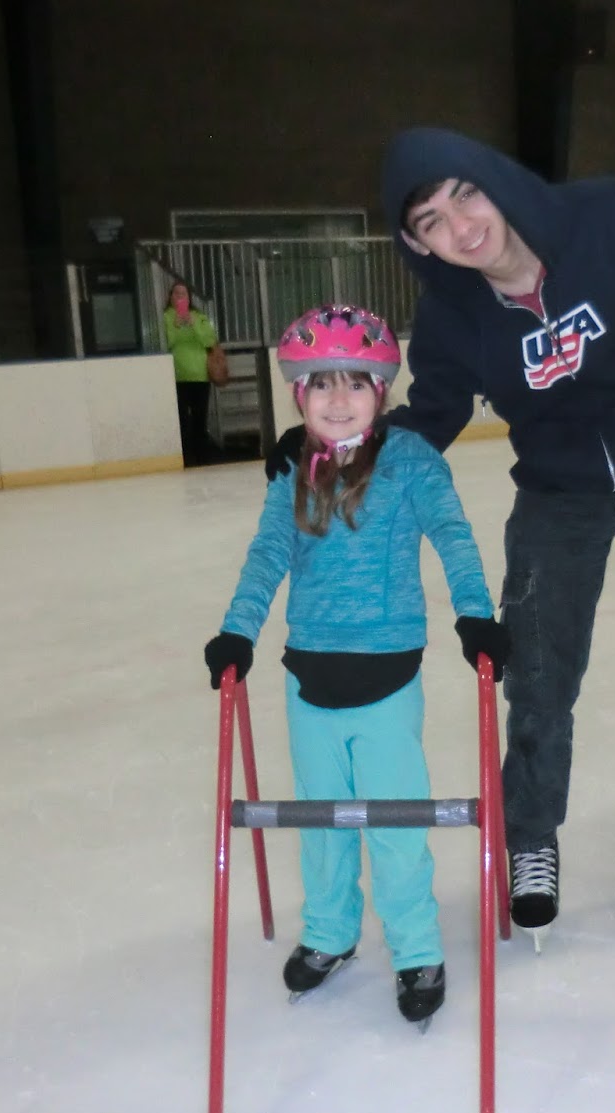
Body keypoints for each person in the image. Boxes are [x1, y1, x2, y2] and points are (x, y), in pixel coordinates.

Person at [269, 128, 615, 946]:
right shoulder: (454, 313)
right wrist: (344, 446)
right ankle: (531, 842)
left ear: (494, 181)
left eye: (464, 195)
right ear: (418, 245)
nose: (459, 227)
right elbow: (436, 413)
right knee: (538, 680)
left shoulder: (614, 219)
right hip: (557, 498)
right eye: (429, 222)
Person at [206, 304, 509, 1028]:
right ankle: (330, 934)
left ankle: (415, 950)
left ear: (382, 391)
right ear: (296, 396)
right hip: (308, 674)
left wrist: (475, 615)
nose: (336, 401)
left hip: (387, 676)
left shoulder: (411, 462)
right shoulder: (293, 469)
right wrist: (237, 631)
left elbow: (455, 537)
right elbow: (268, 554)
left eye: (354, 384)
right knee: (321, 820)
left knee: (396, 824)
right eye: (318, 385)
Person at [162, 281, 219, 466]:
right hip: (177, 376)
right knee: (182, 420)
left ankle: (202, 456)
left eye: (183, 294)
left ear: (189, 298)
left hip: (200, 375)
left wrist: (193, 324)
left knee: (199, 418)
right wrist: (177, 327)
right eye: (176, 293)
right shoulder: (166, 317)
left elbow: (209, 340)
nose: (179, 297)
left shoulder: (199, 317)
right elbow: (168, 342)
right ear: (170, 297)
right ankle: (186, 457)